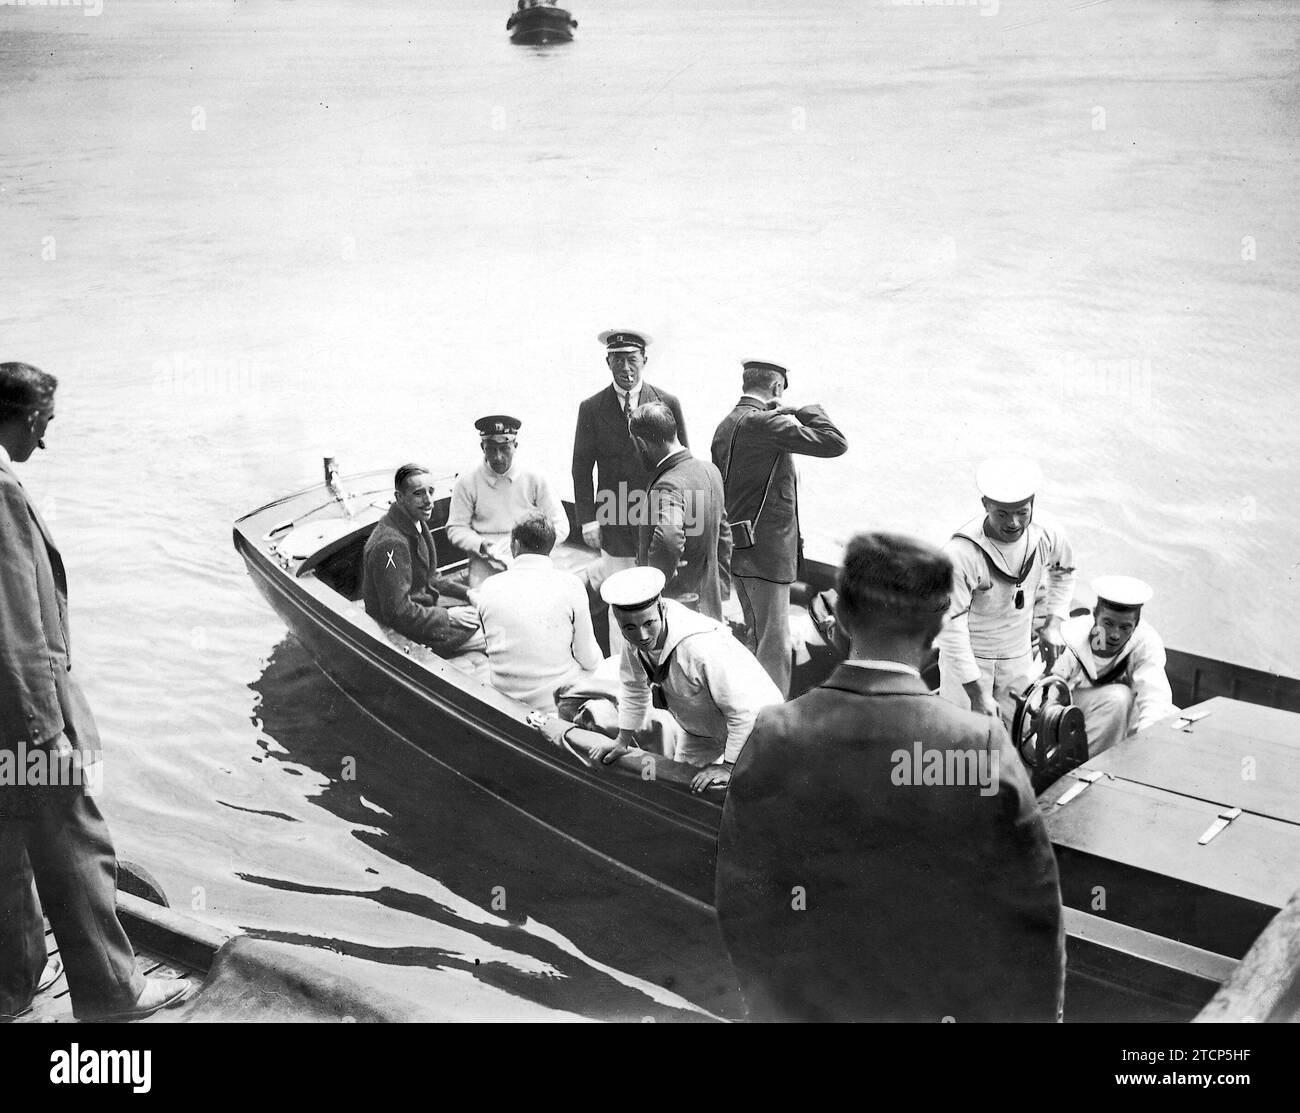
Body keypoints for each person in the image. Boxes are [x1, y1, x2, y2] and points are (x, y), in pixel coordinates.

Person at [715, 531, 1065, 1021]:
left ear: (842, 617)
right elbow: (1033, 916)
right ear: (938, 630)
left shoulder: (778, 732)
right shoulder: (976, 745)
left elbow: (742, 899)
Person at [0, 361, 190, 1022]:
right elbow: (14, 626)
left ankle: (12, 986)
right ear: (22, 416)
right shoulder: (1, 493)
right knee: (76, 842)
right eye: (43, 425)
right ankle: (111, 993)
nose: (43, 441)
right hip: (23, 720)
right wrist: (44, 731)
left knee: (7, 849)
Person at [710, 360, 847, 695]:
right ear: (776, 388)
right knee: (773, 645)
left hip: (741, 549)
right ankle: (770, 721)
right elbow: (835, 442)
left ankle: (752, 712)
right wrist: (800, 410)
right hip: (766, 556)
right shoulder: (765, 423)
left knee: (759, 637)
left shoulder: (727, 424)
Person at [598, 567, 781, 793]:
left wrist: (729, 766)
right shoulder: (634, 641)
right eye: (629, 627)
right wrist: (622, 740)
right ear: (618, 622)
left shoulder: (698, 646)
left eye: (649, 624)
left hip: (758, 728)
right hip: (700, 732)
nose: (642, 636)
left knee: (751, 794)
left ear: (662, 609)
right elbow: (633, 688)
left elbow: (744, 711)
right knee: (681, 788)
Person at [936, 456, 1076, 723]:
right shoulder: (960, 554)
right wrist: (976, 694)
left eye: (1022, 512)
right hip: (967, 662)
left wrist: (1054, 624)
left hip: (1018, 657)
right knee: (962, 742)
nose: (1013, 522)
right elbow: (949, 626)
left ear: (1032, 504)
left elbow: (1065, 571)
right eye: (1002, 513)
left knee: (1015, 739)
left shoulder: (1047, 533)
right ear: (985, 505)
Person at [571, 331, 689, 637]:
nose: (626, 368)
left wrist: (687, 519)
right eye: (618, 359)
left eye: (632, 359)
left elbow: (683, 465)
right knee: (619, 600)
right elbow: (581, 468)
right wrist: (588, 520)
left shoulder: (668, 402)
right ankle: (622, 674)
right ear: (607, 361)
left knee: (659, 599)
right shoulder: (591, 408)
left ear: (645, 361)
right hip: (615, 519)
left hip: (658, 519)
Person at [473, 512, 602, 712]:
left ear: (514, 546)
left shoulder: (488, 587)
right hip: (556, 704)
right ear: (550, 547)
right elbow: (588, 658)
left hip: (506, 700)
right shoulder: (571, 585)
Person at [1050, 575, 1179, 754]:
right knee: (1118, 698)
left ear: (1136, 625)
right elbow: (1050, 692)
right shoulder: (1071, 636)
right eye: (1108, 623)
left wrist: (1146, 744)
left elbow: (1154, 697)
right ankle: (1087, 769)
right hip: (1068, 712)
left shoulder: (1146, 642)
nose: (1114, 635)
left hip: (1117, 719)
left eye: (1125, 627)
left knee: (1169, 715)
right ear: (1095, 614)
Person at [362, 464, 481, 653]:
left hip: (423, 612)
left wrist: (468, 593)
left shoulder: (415, 522)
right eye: (418, 493)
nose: (429, 501)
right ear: (399, 498)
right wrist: (448, 617)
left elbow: (429, 577)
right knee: (496, 635)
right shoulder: (390, 543)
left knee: (489, 618)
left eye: (431, 491)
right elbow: (397, 612)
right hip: (407, 630)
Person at [629, 401, 732, 621]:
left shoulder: (668, 484)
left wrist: (658, 578)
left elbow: (669, 538)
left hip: (676, 607)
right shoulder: (710, 470)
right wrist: (720, 588)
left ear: (641, 443)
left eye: (635, 445)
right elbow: (724, 534)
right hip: (708, 601)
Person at [447, 415, 569, 588]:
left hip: (531, 554)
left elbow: (561, 525)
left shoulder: (535, 475)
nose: (498, 457)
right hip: (486, 559)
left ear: (515, 446)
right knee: (486, 603)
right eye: (491, 449)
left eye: (504, 449)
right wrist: (482, 546)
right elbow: (456, 527)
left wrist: (532, 549)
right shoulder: (467, 480)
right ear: (482, 447)